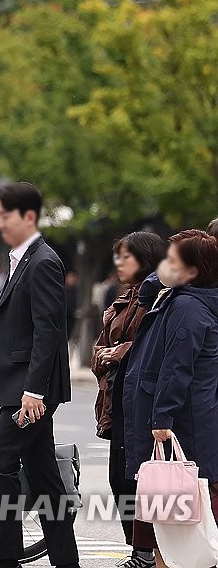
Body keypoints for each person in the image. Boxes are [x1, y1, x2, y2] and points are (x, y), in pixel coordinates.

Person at [0, 183, 78, 568]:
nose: (0, 223)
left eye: (6, 215)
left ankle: (9, 560)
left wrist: (34, 391)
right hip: (20, 385)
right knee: (44, 478)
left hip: (28, 390)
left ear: (28, 217)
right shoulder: (22, 259)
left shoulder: (43, 262)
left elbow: (48, 331)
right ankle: (66, 561)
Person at [123, 230, 218, 566]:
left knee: (176, 516)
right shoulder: (181, 297)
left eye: (173, 260)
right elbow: (149, 288)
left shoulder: (187, 307)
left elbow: (177, 368)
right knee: (172, 513)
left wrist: (162, 417)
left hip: (183, 422)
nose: (164, 266)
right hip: (186, 417)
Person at [91, 232, 165, 568]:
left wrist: (120, 352)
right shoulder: (125, 297)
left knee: (137, 478)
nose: (119, 263)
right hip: (116, 396)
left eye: (127, 257)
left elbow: (154, 344)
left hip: (140, 398)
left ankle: (145, 552)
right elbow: (101, 344)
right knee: (119, 477)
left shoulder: (158, 297)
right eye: (117, 256)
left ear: (146, 259)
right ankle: (139, 550)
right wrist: (103, 354)